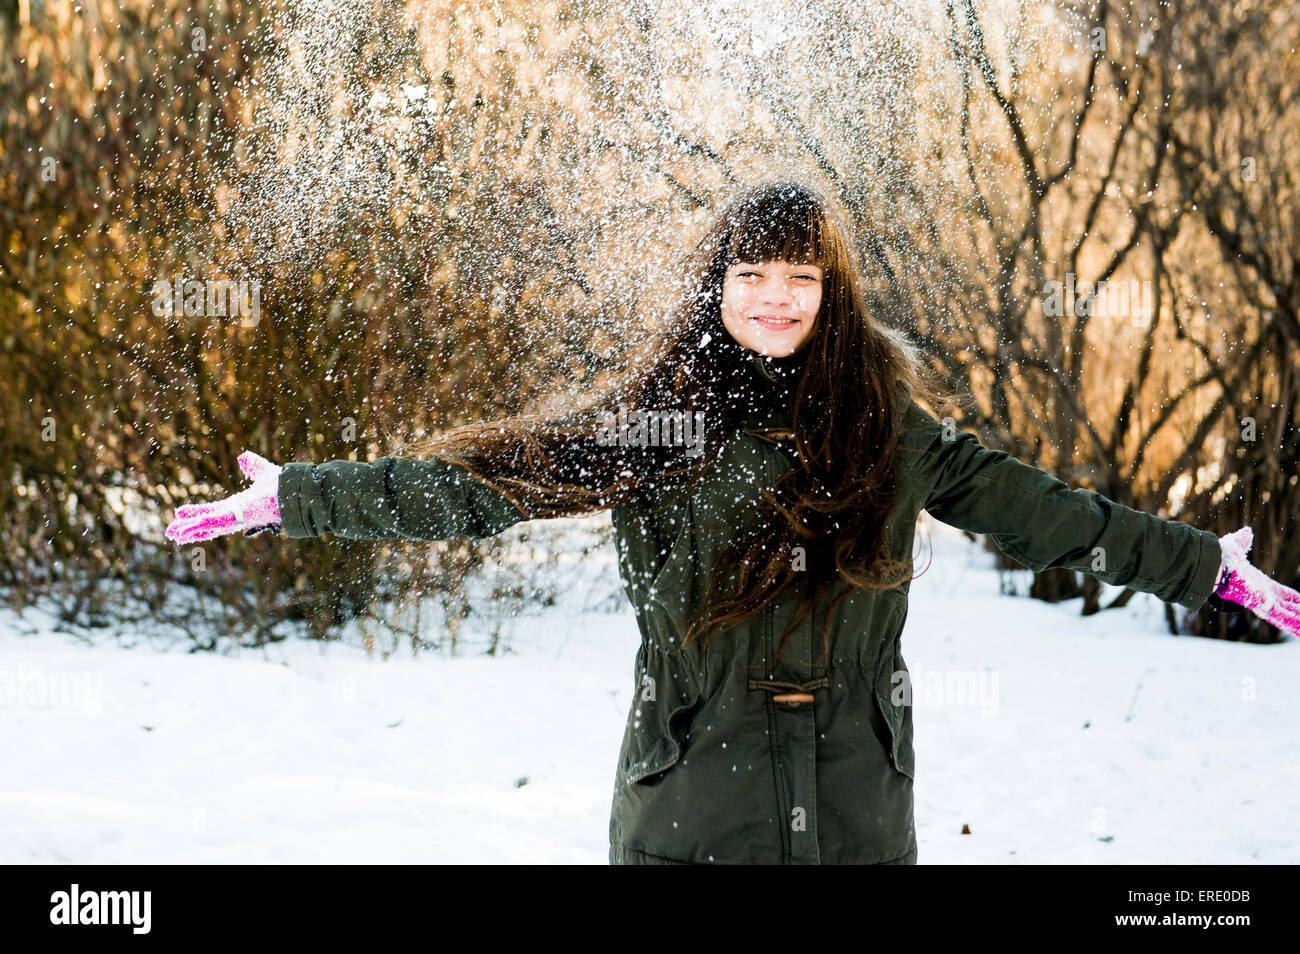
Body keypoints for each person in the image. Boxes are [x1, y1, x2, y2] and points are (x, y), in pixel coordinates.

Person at [166, 180, 1300, 864]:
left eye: (797, 275)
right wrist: (296, 495)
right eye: (750, 271)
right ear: (716, 285)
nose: (772, 294)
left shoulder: (886, 432)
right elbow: (473, 491)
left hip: (858, 812)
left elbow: (1047, 516)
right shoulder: (653, 432)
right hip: (687, 814)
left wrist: (1207, 569)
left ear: (829, 291)